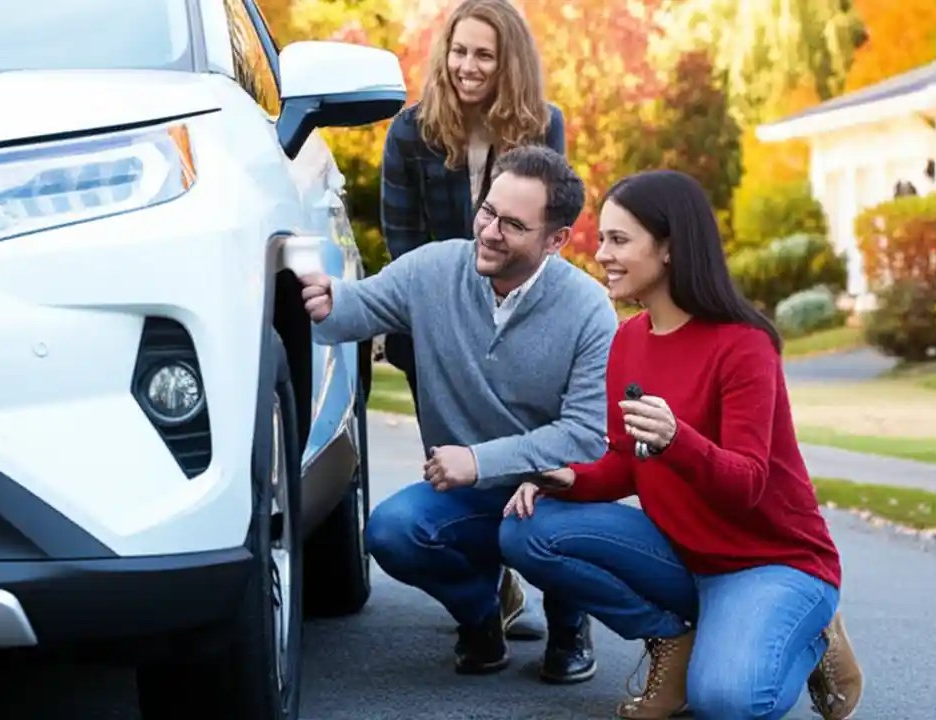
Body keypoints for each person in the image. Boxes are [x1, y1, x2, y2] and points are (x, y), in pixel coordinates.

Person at [497, 169, 865, 720]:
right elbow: (626, 462)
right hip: (682, 553)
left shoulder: (744, 345)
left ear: (669, 248)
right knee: (527, 530)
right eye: (604, 240)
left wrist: (677, 439)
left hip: (771, 561)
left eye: (620, 240)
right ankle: (673, 637)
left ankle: (815, 638)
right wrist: (568, 479)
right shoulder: (627, 341)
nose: (603, 255)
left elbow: (747, 484)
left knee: (730, 699)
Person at [301, 145, 616, 681]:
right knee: (392, 530)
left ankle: (569, 625)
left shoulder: (589, 310)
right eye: (488, 211)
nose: (490, 231)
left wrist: (479, 459)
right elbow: (358, 305)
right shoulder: (434, 269)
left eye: (513, 224)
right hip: (466, 498)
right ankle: (481, 617)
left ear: (555, 240)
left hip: (550, 494)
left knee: (550, 536)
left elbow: (587, 435)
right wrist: (330, 303)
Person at [378, 0, 567, 644]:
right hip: (435, 327)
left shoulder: (543, 126)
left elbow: (544, 231)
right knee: (455, 464)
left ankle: (568, 611)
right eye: (459, 51)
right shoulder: (411, 133)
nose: (468, 66)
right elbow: (402, 244)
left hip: (524, 319)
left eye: (484, 54)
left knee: (537, 454)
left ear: (507, 61)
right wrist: (430, 326)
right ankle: (483, 597)